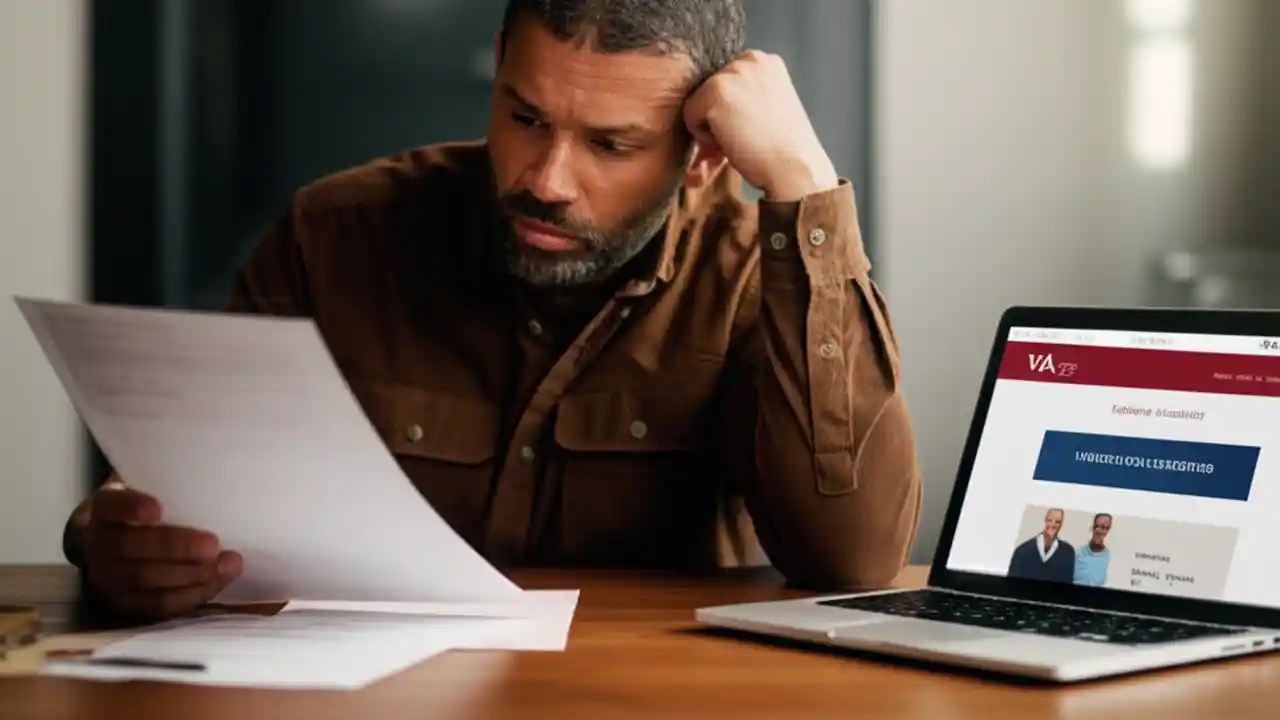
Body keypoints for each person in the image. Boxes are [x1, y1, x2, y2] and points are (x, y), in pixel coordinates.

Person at [60, 0, 922, 619]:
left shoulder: (743, 277)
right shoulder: (333, 235)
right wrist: (116, 538)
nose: (545, 181)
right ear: (502, 61)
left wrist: (803, 189)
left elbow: (852, 560)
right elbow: (175, 489)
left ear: (702, 156)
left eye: (610, 145)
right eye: (525, 115)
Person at [1007, 508, 1075, 583]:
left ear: (1061, 525)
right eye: (1050, 520)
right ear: (1045, 520)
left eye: (1057, 522)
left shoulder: (1068, 553)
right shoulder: (1022, 551)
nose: (1053, 524)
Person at [1073, 513, 1112, 587]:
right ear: (1092, 527)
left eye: (1106, 528)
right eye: (1098, 526)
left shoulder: (1107, 557)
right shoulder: (1077, 553)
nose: (1101, 531)